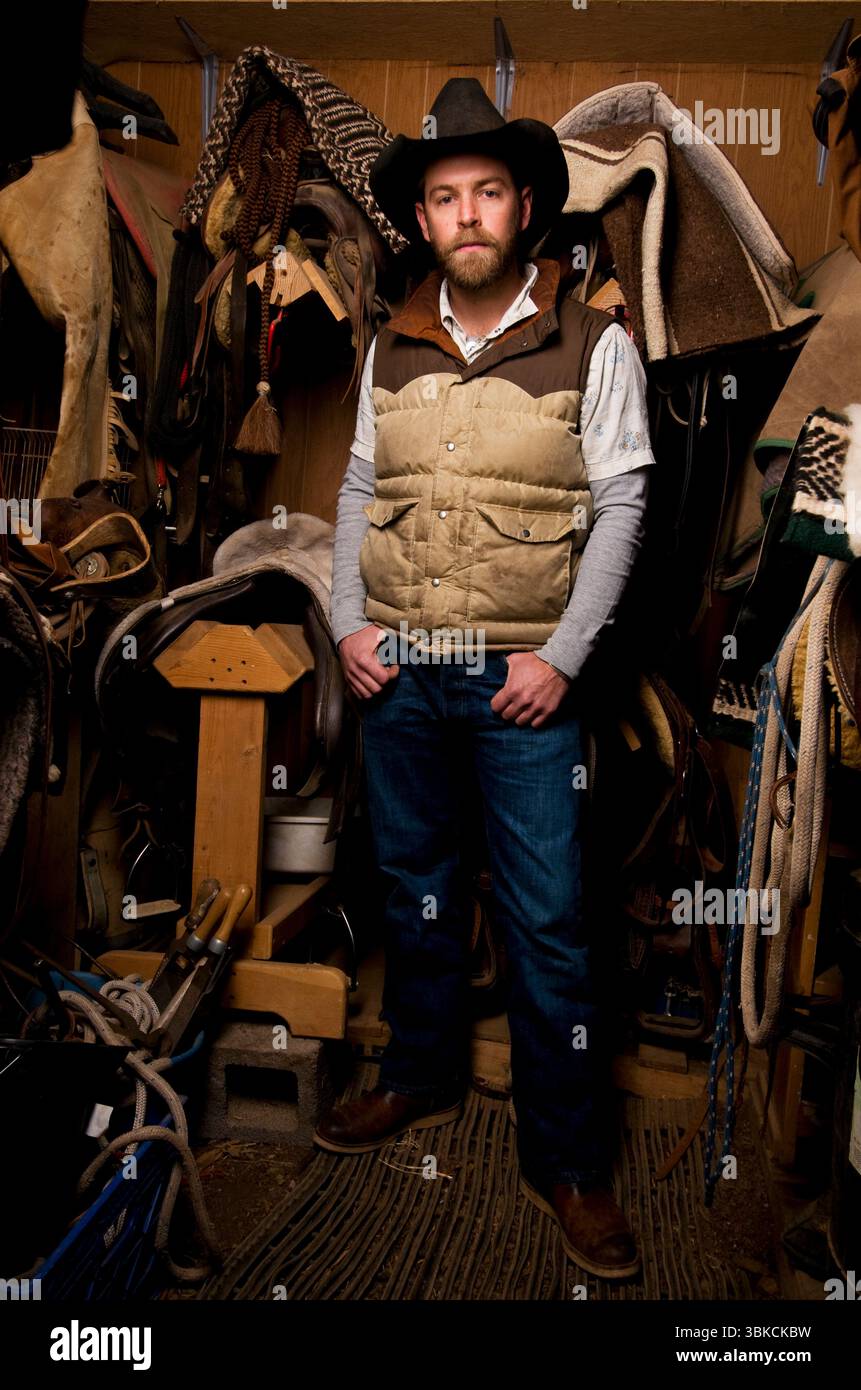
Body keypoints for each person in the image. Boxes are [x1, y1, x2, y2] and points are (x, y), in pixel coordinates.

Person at [314, 78, 655, 1281]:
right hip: (400, 673)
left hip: (524, 688)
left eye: (488, 193)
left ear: (522, 208)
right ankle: (414, 1077)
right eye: (444, 196)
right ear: (423, 215)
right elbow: (359, 493)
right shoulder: (388, 339)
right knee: (412, 886)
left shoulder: (591, 336)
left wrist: (562, 662)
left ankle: (567, 1162)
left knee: (551, 923)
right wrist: (349, 623)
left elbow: (622, 505)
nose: (467, 215)